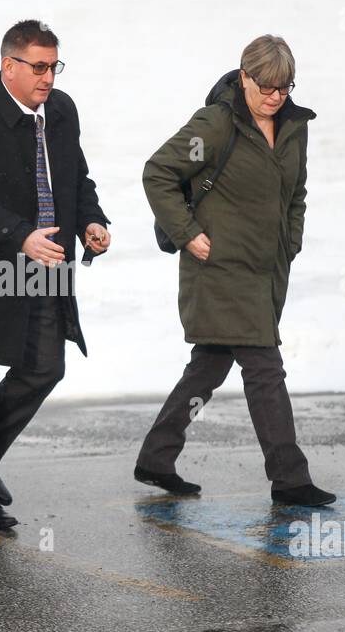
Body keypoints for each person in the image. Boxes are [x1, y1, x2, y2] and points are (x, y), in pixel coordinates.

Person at [136, 35, 334, 507]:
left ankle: (157, 458)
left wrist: (292, 240)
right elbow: (158, 172)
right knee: (265, 369)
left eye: (284, 88)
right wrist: (186, 233)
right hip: (219, 269)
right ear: (244, 76)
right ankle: (290, 478)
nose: (274, 97)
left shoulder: (292, 128)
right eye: (265, 86)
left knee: (207, 368)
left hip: (266, 271)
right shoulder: (218, 124)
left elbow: (296, 193)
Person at [0, 20, 111, 530]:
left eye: (54, 66)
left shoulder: (61, 110)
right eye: (38, 66)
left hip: (43, 259)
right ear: (9, 65)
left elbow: (75, 173)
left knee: (45, 367)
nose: (48, 77)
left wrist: (92, 220)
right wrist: (19, 235)